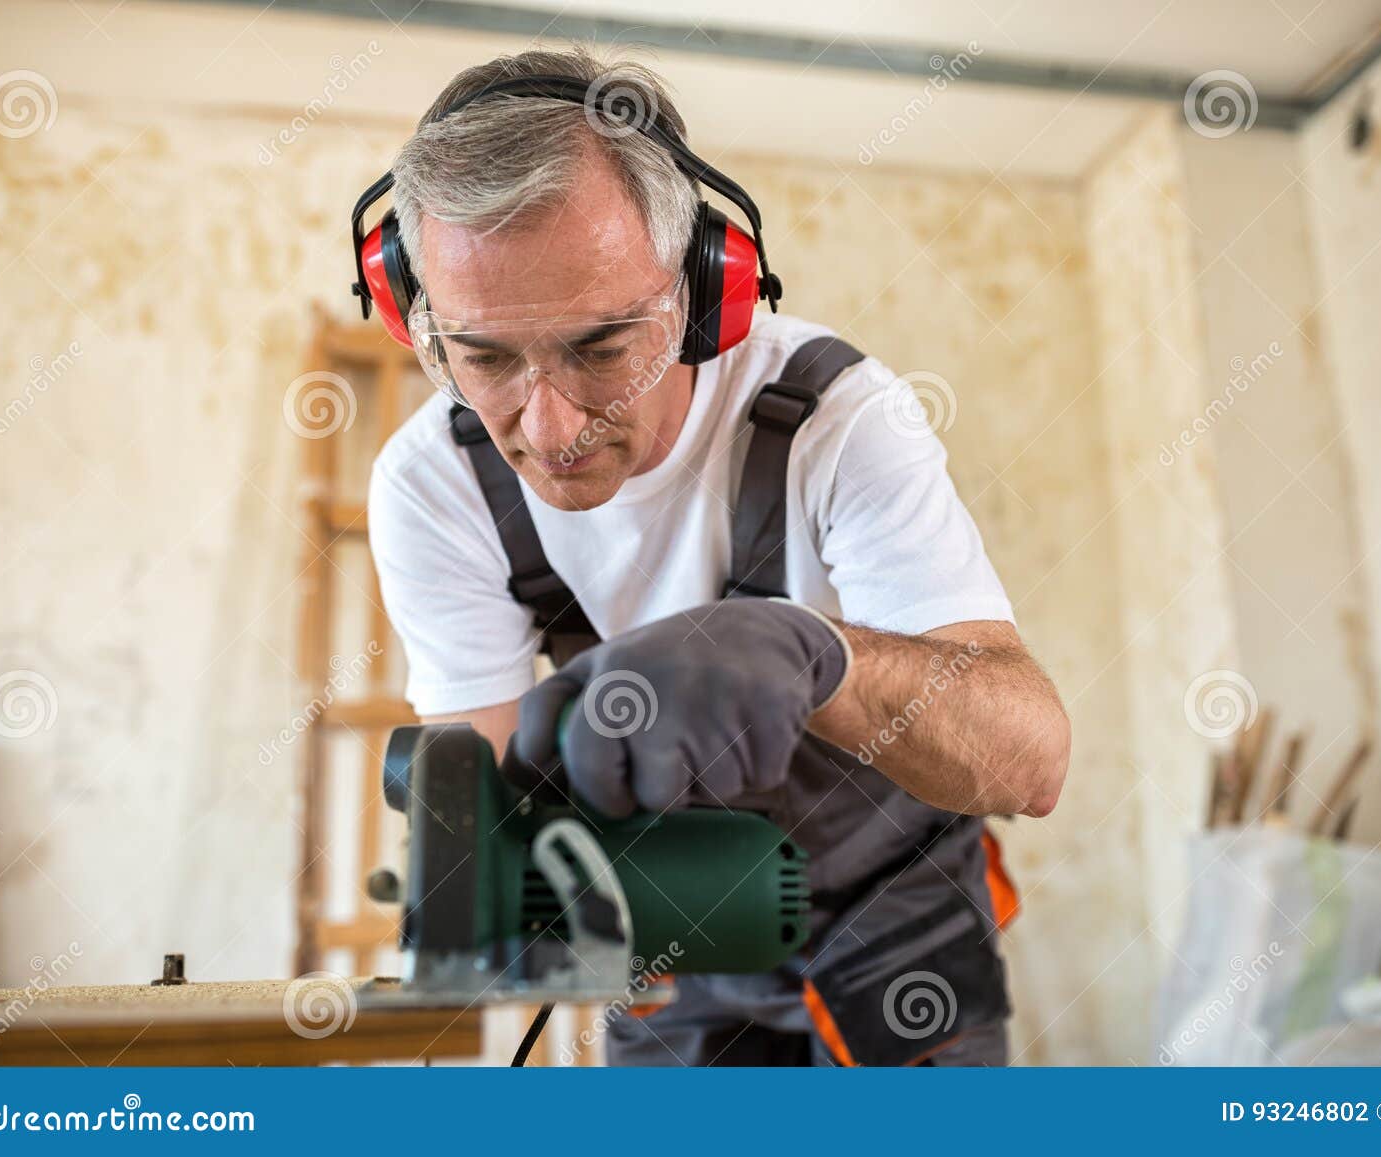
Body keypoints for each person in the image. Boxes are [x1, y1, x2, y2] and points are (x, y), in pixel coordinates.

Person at [362, 47, 1070, 1066]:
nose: (549, 426)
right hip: (675, 944)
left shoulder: (834, 418)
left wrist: (816, 658)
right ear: (416, 316)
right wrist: (483, 888)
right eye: (485, 357)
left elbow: (1031, 761)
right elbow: (493, 824)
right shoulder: (435, 484)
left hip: (902, 932)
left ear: (702, 295)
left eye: (600, 348)